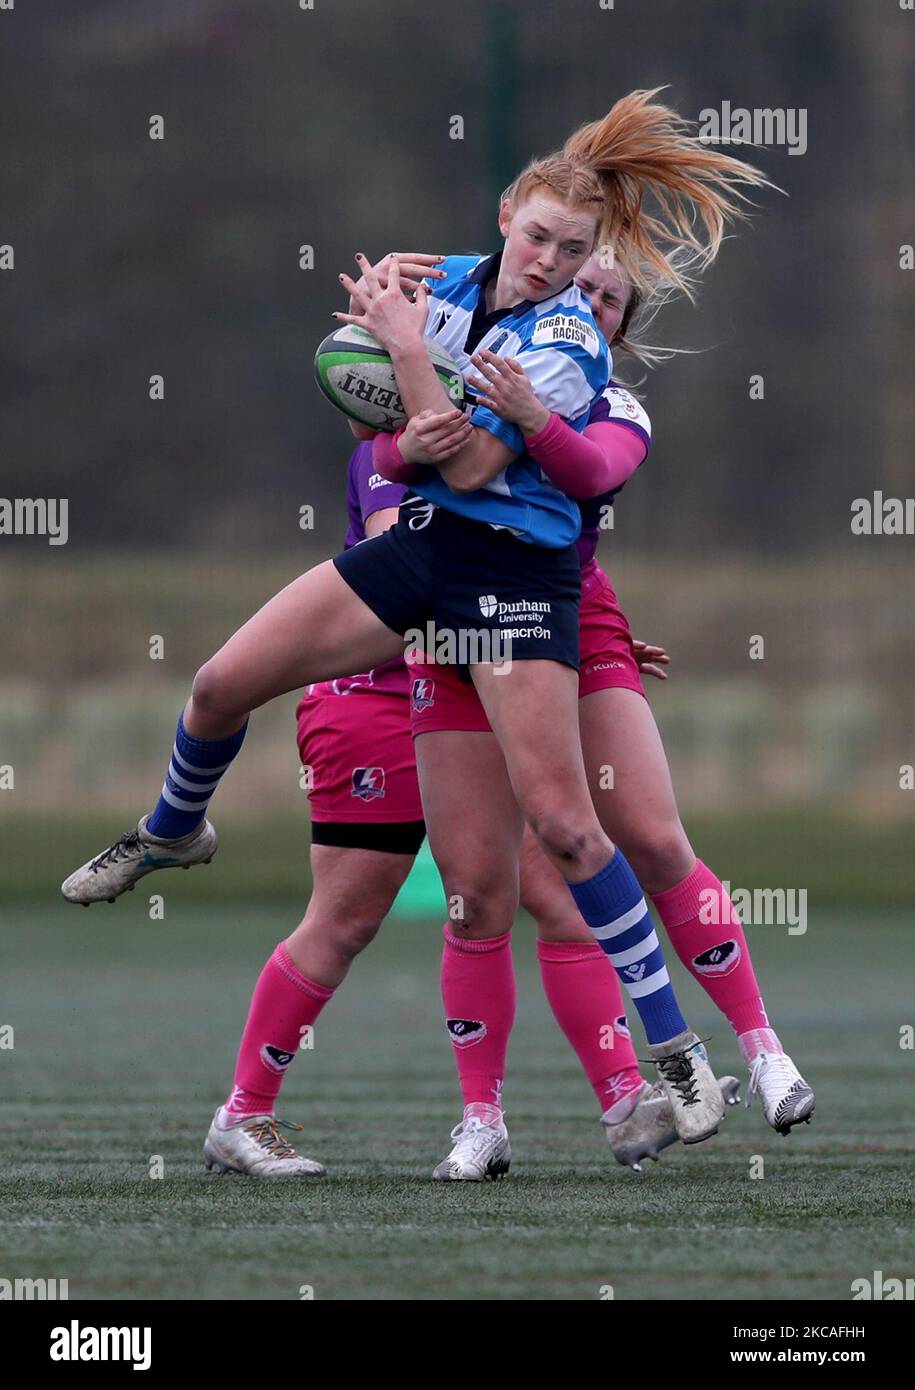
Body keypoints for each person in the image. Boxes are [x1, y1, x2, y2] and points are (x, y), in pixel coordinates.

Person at [62, 90, 768, 1171]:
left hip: (510, 578)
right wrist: (381, 330)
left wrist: (403, 357)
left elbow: (476, 461)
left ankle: (669, 1048)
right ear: (504, 216)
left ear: (593, 263)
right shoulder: (447, 281)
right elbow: (373, 417)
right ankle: (174, 828)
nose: (549, 262)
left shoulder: (569, 340)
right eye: (537, 236)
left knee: (569, 835)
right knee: (216, 683)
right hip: (424, 554)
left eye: (573, 250)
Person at [394, 252, 813, 1180]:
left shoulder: (614, 406)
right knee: (473, 895)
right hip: (449, 638)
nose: (582, 301)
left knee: (651, 839)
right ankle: (481, 1121)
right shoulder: (460, 369)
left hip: (564, 629)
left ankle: (760, 1049)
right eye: (572, 284)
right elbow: (388, 465)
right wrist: (389, 330)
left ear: (617, 331)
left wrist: (525, 416)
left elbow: (584, 471)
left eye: (606, 299)